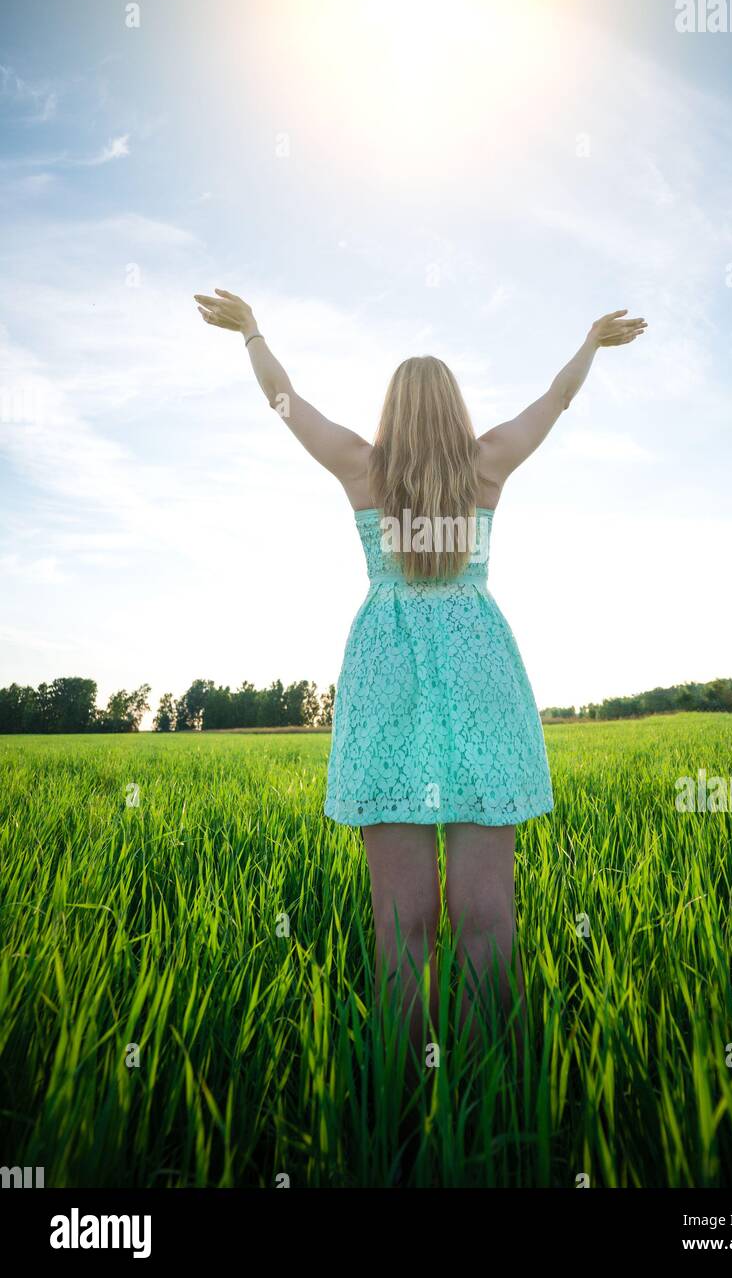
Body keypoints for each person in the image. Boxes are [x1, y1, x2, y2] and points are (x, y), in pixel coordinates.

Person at [194, 289, 645, 1048]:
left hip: (386, 673)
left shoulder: (359, 467)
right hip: (479, 672)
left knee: (400, 923)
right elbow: (556, 399)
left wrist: (251, 333)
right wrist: (591, 342)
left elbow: (284, 400)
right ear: (453, 408)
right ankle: (487, 1083)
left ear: (392, 410)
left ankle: (404, 1095)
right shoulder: (489, 461)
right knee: (485, 914)